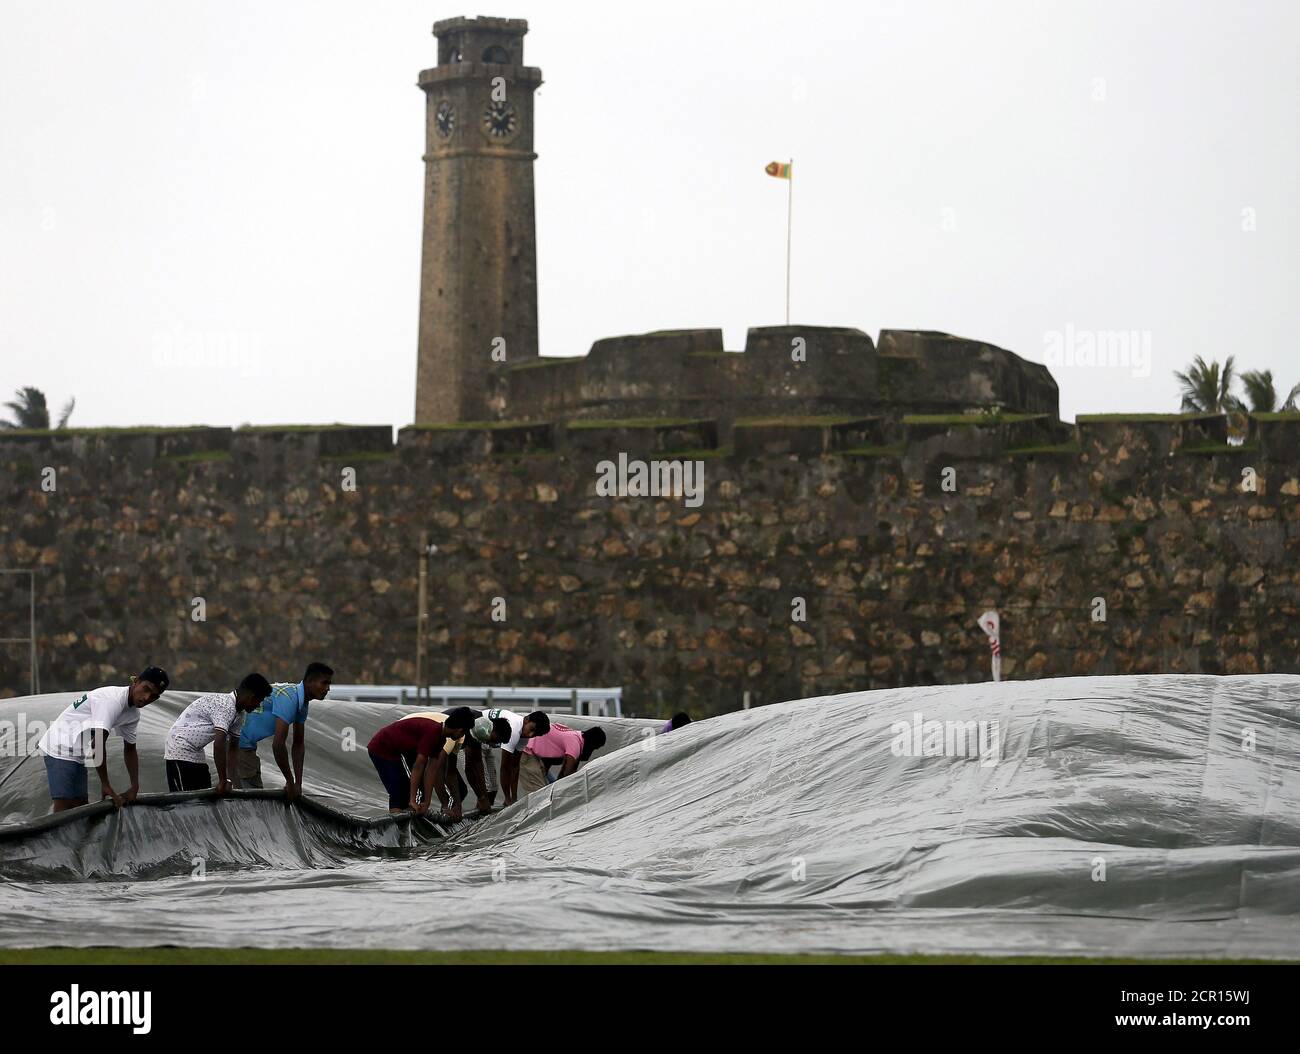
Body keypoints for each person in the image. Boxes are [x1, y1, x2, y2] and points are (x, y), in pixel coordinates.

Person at [36, 666, 170, 812]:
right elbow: (97, 744)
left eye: (153, 697)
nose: (146, 698)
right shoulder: (111, 701)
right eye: (146, 689)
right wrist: (105, 784)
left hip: (77, 751)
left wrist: (134, 786)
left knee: (80, 805)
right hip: (58, 745)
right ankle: (46, 834)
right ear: (136, 682)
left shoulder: (133, 715)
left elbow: (130, 749)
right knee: (63, 805)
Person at [233, 662, 333, 800]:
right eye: (324, 683)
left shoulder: (302, 703)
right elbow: (278, 745)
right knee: (253, 803)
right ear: (309, 682)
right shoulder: (289, 699)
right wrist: (290, 782)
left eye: (329, 684)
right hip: (237, 744)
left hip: (246, 746)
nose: (328, 689)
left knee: (253, 799)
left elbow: (298, 744)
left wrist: (298, 784)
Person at [164, 674, 272, 793]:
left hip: (196, 752)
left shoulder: (240, 714)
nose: (258, 706)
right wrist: (222, 780)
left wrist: (230, 781)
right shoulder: (226, 706)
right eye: (259, 701)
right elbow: (219, 744)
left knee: (205, 796)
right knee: (184, 801)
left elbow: (233, 748)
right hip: (179, 747)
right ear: (251, 697)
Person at [367, 708, 475, 815]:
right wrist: (413, 801)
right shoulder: (432, 731)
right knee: (399, 791)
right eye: (464, 732)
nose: (462, 736)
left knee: (404, 791)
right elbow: (418, 766)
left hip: (397, 750)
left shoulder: (441, 738)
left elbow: (431, 771)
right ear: (460, 730)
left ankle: (403, 821)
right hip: (381, 748)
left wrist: (426, 802)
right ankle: (398, 824)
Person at [473, 709, 550, 807]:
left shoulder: (524, 737)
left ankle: (483, 813)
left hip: (486, 744)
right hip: (475, 734)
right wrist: (507, 798)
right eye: (531, 729)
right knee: (488, 788)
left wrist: (514, 797)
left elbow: (515, 766)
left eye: (535, 735)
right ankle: (478, 813)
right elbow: (505, 766)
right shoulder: (514, 729)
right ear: (526, 720)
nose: (530, 735)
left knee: (492, 789)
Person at [518, 723, 607, 796]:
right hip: (527, 752)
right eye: (594, 748)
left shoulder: (575, 736)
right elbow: (567, 774)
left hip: (534, 754)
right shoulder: (575, 745)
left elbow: (551, 762)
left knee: (549, 789)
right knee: (539, 796)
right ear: (591, 744)